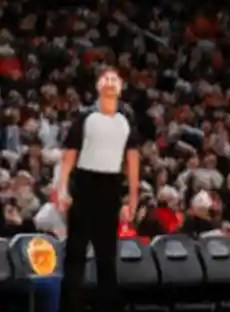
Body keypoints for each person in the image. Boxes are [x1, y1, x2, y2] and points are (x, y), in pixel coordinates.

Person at [56, 67, 141, 312]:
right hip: (84, 182)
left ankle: (107, 304)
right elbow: (70, 153)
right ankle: (70, 306)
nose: (111, 82)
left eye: (115, 79)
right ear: (98, 85)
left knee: (107, 253)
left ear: (121, 86)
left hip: (111, 185)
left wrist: (132, 198)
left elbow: (132, 158)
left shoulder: (127, 116)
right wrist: (62, 187)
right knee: (76, 251)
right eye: (106, 78)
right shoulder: (85, 115)